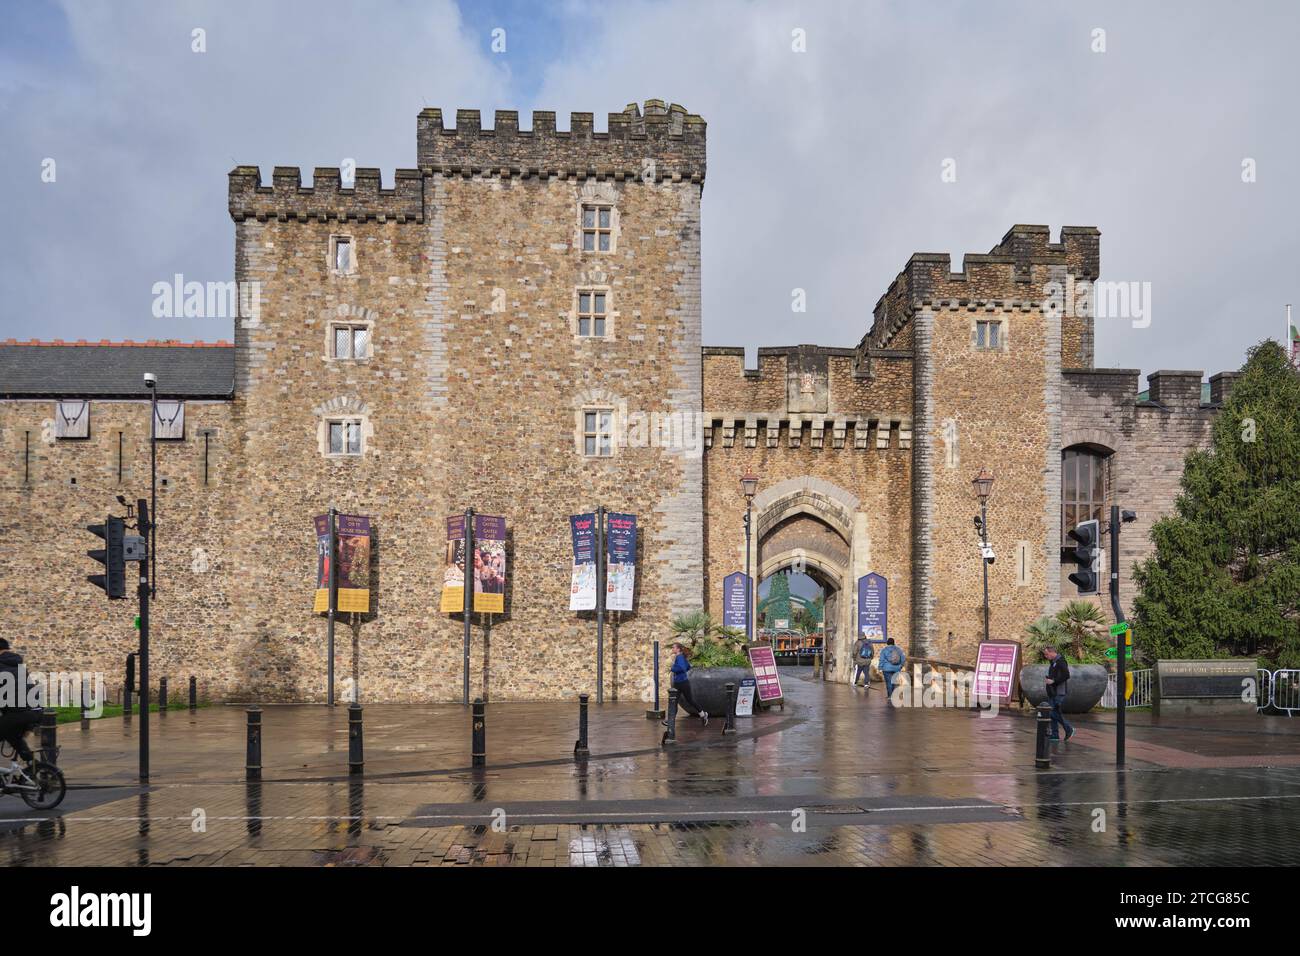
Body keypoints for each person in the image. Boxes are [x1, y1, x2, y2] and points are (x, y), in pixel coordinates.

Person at [0, 639, 40, 770]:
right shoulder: (18, 664)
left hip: (17, 713)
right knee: (13, 737)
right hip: (33, 711)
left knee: (9, 730)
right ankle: (33, 767)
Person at [667, 642, 708, 726]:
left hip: (682, 683)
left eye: (673, 647)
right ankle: (671, 720)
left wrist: (672, 668)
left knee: (689, 700)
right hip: (679, 682)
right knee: (675, 701)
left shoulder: (680, 657)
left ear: (678, 649)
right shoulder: (680, 657)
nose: (672, 649)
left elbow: (682, 668)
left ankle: (703, 714)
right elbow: (688, 667)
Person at [1043, 645, 1075, 741]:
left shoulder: (1061, 661)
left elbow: (1066, 675)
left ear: (1052, 652)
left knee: (1053, 712)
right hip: (1052, 692)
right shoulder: (1053, 662)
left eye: (1046, 654)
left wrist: (1054, 681)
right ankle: (1055, 735)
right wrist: (1049, 679)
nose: (1046, 656)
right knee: (1052, 713)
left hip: (1059, 692)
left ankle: (1069, 728)